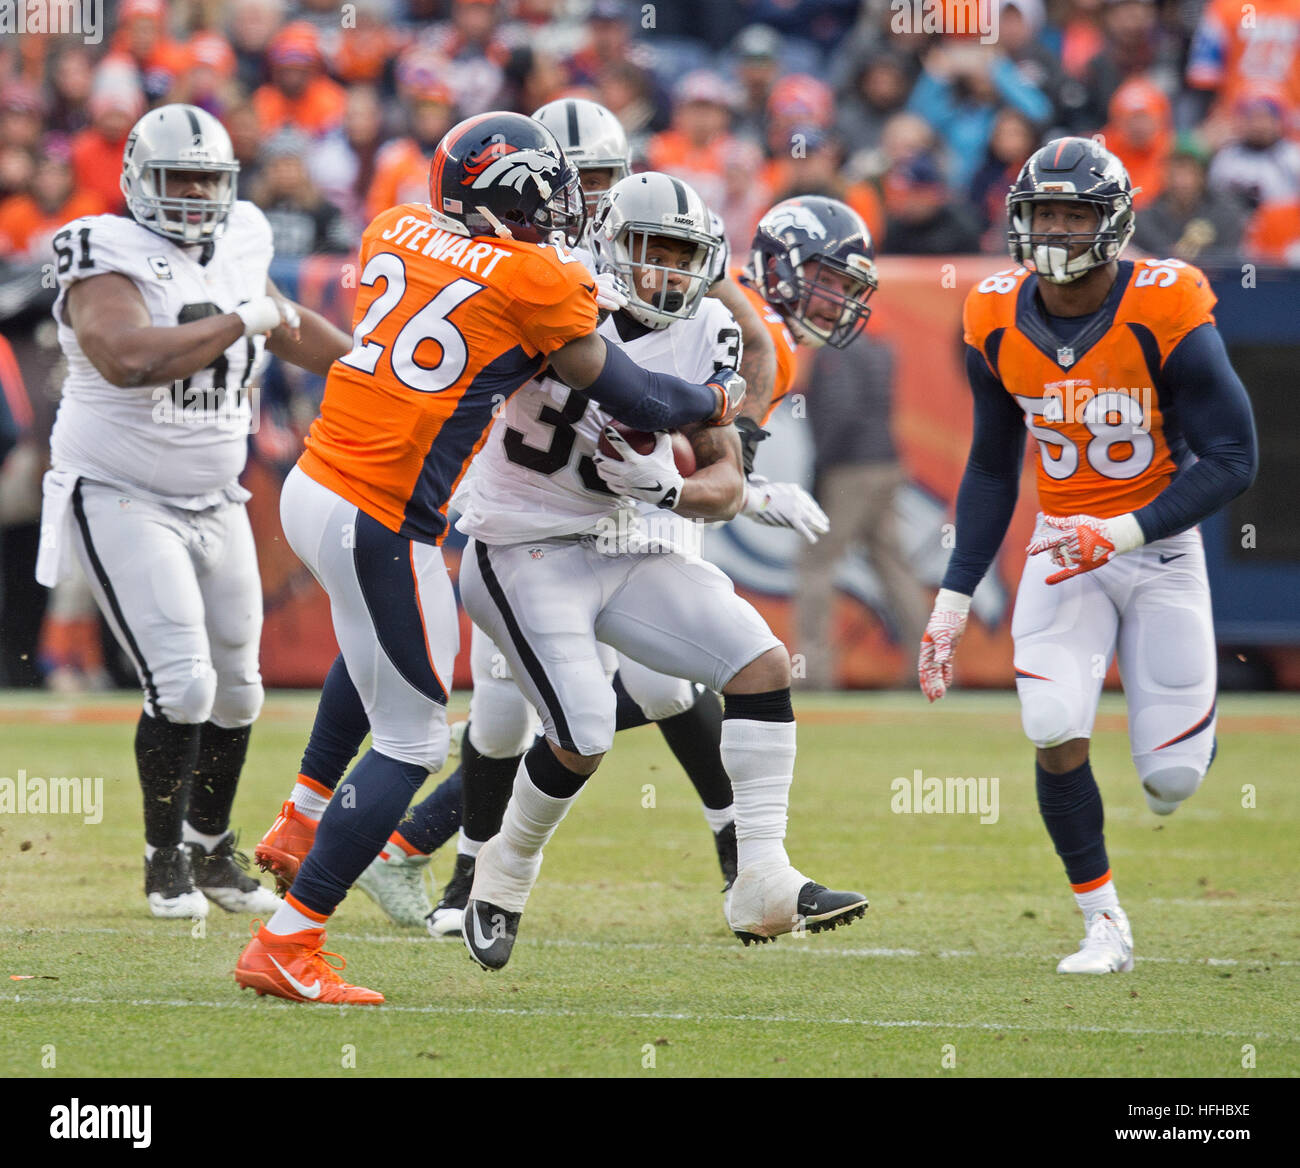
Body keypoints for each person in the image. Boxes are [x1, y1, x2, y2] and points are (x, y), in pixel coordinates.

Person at [235, 111, 747, 1004]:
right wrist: (713, 397)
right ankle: (291, 936)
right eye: (549, 194)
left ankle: (300, 817)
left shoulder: (394, 227)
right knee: (413, 736)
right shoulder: (537, 278)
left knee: (384, 659)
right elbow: (634, 392)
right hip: (381, 512)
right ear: (512, 198)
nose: (564, 212)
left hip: (317, 483)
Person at [451, 171, 867, 971]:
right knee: (582, 732)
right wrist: (697, 414)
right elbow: (639, 396)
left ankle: (761, 878)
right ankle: (503, 869)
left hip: (622, 540)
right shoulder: (560, 299)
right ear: (611, 245)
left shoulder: (711, 325)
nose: (669, 272)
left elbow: (723, 483)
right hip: (522, 542)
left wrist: (675, 489)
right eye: (653, 252)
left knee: (760, 663)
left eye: (685, 255)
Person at [918, 137, 1257, 974]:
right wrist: (953, 598)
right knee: (1051, 722)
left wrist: (1129, 529)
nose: (1057, 232)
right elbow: (994, 466)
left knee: (1171, 782)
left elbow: (1234, 458)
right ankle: (1103, 922)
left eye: (1075, 215)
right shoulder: (993, 313)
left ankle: (1191, 732)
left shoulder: (1167, 302)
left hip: (1161, 549)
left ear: (1113, 224)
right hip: (1065, 549)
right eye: (1043, 214)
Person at [37, 103, 354, 920]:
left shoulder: (245, 233)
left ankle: (213, 853)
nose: (192, 196)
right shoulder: (99, 249)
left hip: (217, 495)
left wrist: (371, 370)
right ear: (137, 180)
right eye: (177, 179)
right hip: (120, 491)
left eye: (207, 180)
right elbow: (126, 358)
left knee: (240, 690)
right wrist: (242, 318)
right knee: (181, 685)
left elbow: (282, 323)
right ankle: (162, 859)